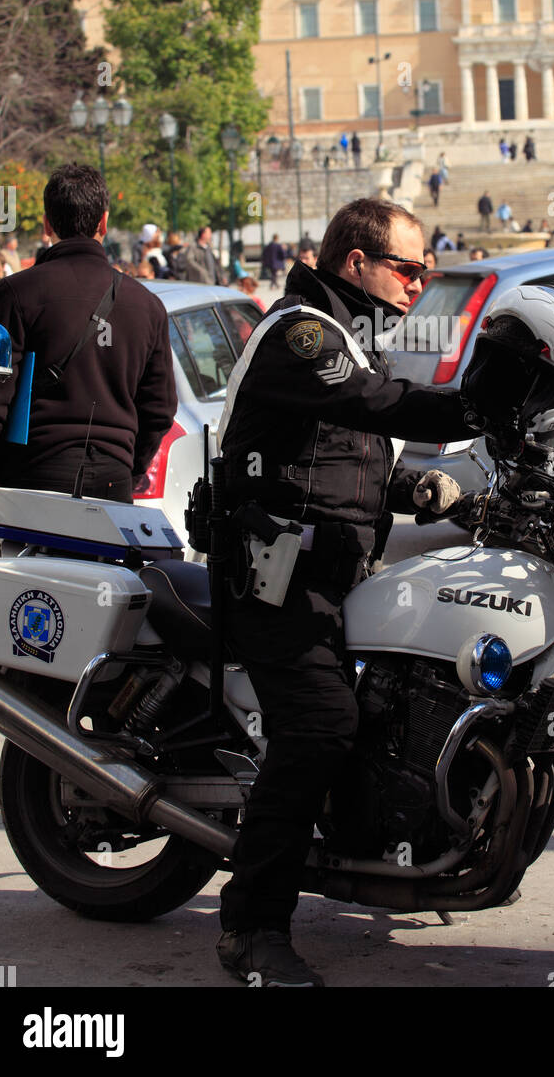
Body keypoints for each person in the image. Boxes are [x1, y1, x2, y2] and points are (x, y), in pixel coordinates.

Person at [215, 198, 481, 987]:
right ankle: (251, 930)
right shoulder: (303, 332)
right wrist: (482, 408)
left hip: (328, 572)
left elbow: (343, 460)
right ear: (356, 262)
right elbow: (370, 406)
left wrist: (430, 490)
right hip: (273, 581)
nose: (419, 283)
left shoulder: (351, 344)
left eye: (426, 269)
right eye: (408, 268)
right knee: (321, 727)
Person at [0, 162, 176, 504]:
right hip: (113, 479)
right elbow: (159, 408)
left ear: (47, 224)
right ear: (104, 221)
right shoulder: (147, 305)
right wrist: (130, 468)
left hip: (35, 473)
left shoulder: (17, 292)